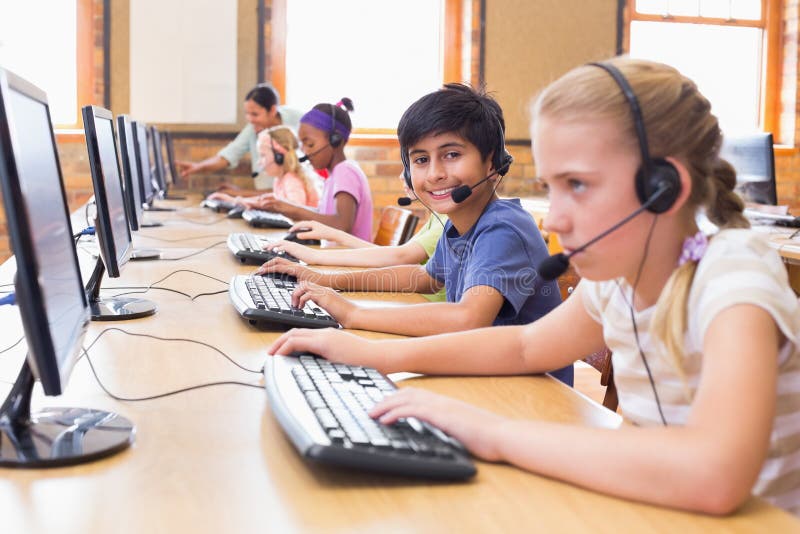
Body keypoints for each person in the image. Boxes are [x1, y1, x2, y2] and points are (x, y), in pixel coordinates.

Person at [268, 58, 800, 515]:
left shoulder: (734, 282)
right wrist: (368, 355)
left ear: (662, 189)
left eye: (578, 186)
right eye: (551, 187)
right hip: (653, 503)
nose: (558, 219)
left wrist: (495, 435)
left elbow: (714, 475)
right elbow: (525, 344)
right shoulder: (619, 274)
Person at [261, 83, 571, 385]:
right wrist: (328, 281)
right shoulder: (458, 224)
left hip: (531, 393)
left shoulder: (503, 228)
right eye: (421, 160)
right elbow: (424, 278)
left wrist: (354, 314)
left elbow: (467, 318)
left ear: (492, 160)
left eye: (451, 154)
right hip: (486, 375)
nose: (435, 173)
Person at [253, 99, 374, 242]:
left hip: (351, 261)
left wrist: (296, 210)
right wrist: (286, 207)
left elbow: (342, 225)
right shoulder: (334, 175)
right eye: (302, 144)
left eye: (309, 144)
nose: (304, 151)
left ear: (336, 140)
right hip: (338, 257)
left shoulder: (345, 171)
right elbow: (324, 215)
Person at [175, 83, 302, 195]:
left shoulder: (299, 121)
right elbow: (228, 155)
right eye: (247, 113)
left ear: (272, 110)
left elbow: (281, 197)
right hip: (267, 196)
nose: (250, 119)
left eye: (255, 114)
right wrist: (198, 167)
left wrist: (239, 193)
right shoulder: (253, 127)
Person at [207, 126, 320, 208]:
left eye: (263, 155)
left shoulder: (291, 180)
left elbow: (295, 211)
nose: (260, 162)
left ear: (279, 156)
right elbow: (266, 201)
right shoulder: (280, 180)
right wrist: (235, 201)